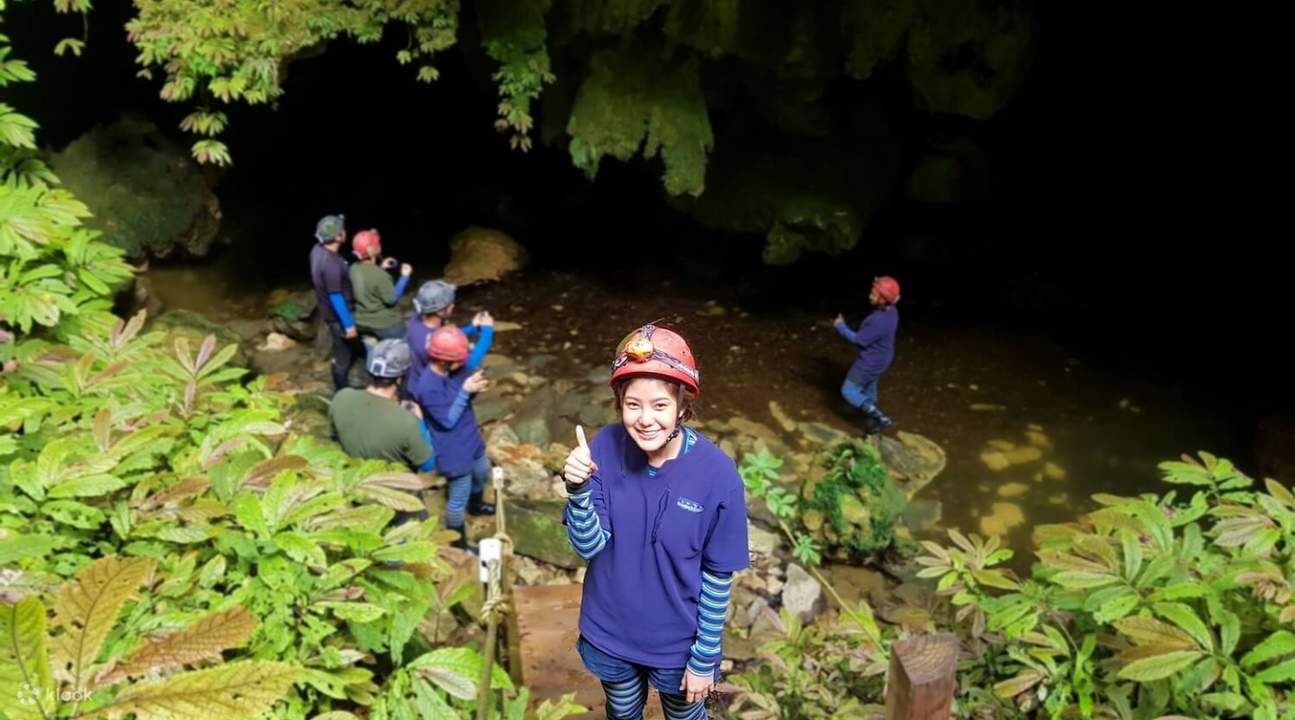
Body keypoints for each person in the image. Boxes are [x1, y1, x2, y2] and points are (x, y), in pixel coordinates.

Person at [561, 324, 749, 720]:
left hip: (677, 646)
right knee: (623, 712)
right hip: (610, 632)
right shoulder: (604, 449)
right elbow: (588, 546)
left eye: (660, 406)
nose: (645, 419)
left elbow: (718, 575)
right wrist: (578, 490)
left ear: (682, 405)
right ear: (619, 403)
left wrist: (704, 658)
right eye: (633, 405)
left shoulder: (717, 474)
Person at [408, 326, 497, 551]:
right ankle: (459, 544)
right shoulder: (426, 387)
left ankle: (476, 506)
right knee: (457, 500)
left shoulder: (451, 372)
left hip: (471, 440)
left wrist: (473, 388)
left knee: (481, 473)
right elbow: (447, 420)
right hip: (453, 451)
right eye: (460, 359)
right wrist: (466, 391)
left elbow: (461, 395)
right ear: (444, 361)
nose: (464, 363)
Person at [329, 339, 436, 521]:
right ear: (400, 378)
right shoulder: (406, 420)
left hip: (356, 488)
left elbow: (334, 437)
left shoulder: (341, 397)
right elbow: (427, 464)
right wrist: (420, 422)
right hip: (396, 498)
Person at [833, 276, 901, 433]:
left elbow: (860, 341)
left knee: (849, 390)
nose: (870, 296)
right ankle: (871, 423)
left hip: (870, 361)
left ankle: (879, 417)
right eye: (872, 292)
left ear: (884, 300)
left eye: (874, 294)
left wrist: (841, 326)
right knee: (869, 385)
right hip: (883, 358)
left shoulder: (879, 321)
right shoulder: (892, 312)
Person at [405, 279, 493, 388]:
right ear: (439, 311)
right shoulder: (430, 343)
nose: (453, 306)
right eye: (450, 305)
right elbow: (469, 364)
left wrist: (472, 327)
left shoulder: (417, 319)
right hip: (433, 387)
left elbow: (444, 336)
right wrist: (487, 332)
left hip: (416, 375)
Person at [309, 213, 362, 390]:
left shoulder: (317, 250)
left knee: (346, 349)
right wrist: (349, 325)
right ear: (339, 237)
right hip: (339, 316)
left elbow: (339, 260)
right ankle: (341, 391)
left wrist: (353, 257)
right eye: (342, 230)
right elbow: (335, 296)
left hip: (327, 311)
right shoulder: (331, 265)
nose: (345, 231)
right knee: (342, 354)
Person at [348, 228, 413, 343]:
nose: (379, 245)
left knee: (371, 347)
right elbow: (392, 300)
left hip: (361, 322)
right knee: (405, 341)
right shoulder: (380, 275)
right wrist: (404, 277)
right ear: (373, 250)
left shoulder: (353, 268)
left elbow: (368, 279)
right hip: (383, 324)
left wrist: (381, 267)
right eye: (377, 243)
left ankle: (371, 350)